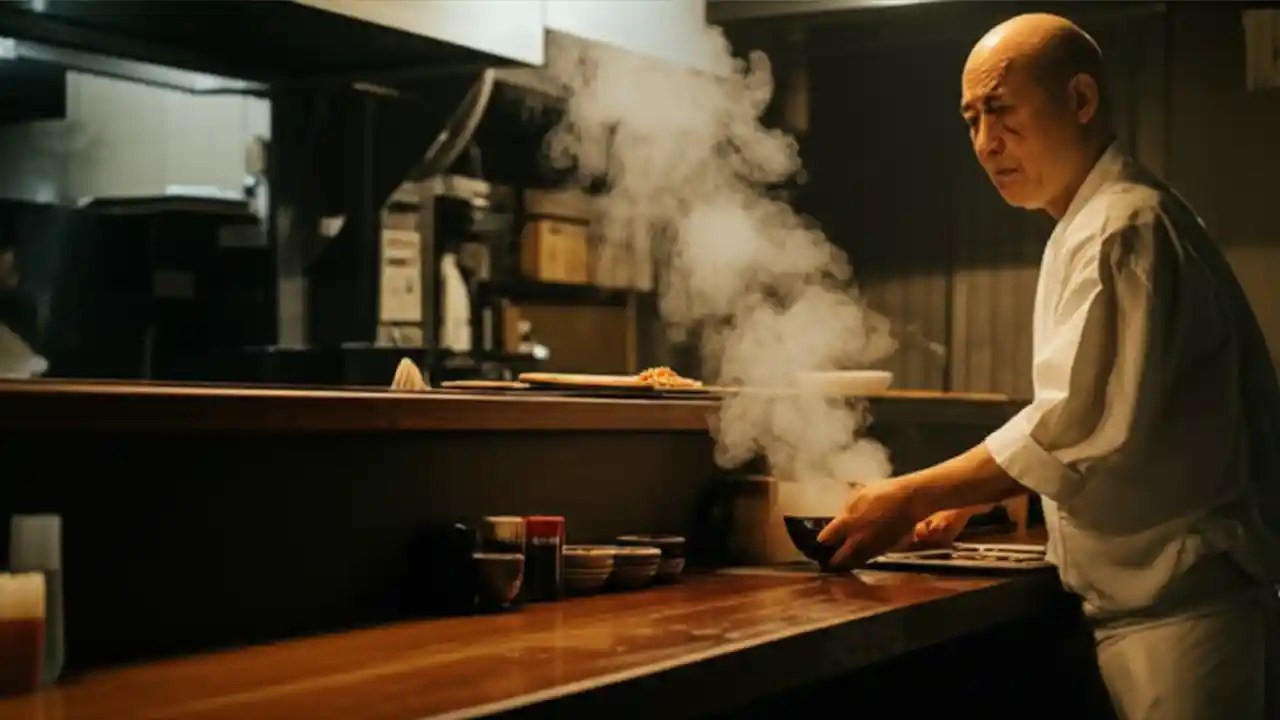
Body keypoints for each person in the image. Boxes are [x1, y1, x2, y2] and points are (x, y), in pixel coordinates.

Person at [816, 12, 1280, 719]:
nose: (984, 143)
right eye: (970, 119)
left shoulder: (1125, 226)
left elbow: (1075, 426)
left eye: (1000, 112)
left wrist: (911, 495)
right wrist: (980, 494)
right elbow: (1131, 426)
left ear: (1082, 101)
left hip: (1188, 628)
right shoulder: (1096, 221)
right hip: (1161, 618)